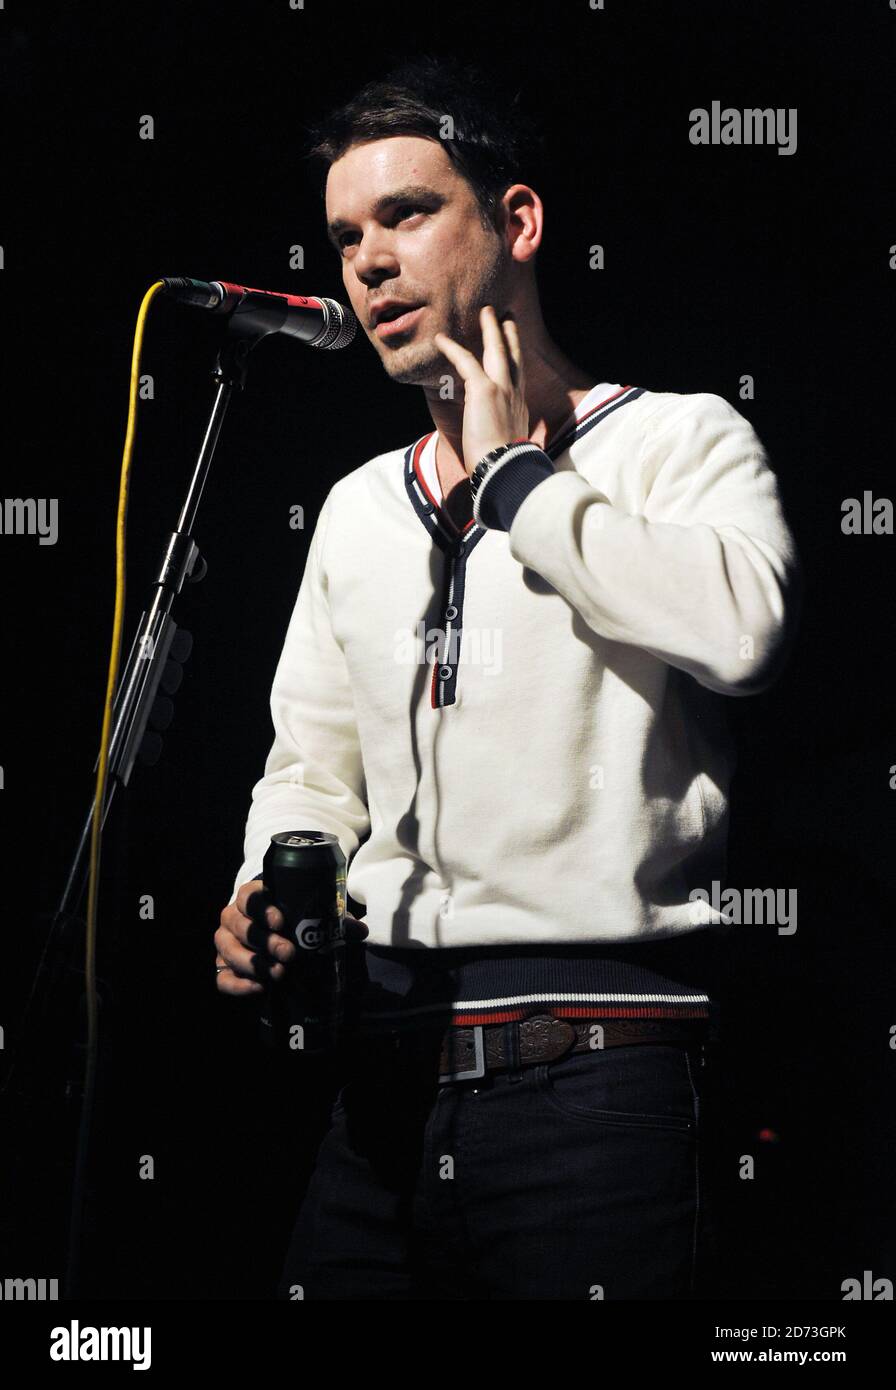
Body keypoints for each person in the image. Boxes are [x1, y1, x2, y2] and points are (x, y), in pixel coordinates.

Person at [214, 55, 800, 1300]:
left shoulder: (676, 437)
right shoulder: (357, 508)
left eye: (407, 214)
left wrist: (521, 487)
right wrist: (271, 881)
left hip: (599, 1061)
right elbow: (310, 766)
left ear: (517, 223)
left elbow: (746, 632)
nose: (366, 260)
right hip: (379, 1070)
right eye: (344, 235)